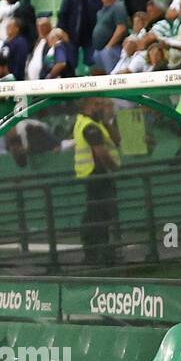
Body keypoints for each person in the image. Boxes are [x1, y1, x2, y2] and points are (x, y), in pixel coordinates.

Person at [74, 96, 121, 266]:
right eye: (100, 104)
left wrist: (108, 122)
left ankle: (97, 253)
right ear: (91, 105)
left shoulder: (95, 123)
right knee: (98, 216)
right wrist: (115, 169)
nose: (103, 107)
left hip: (96, 177)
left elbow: (117, 140)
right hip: (97, 176)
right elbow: (101, 152)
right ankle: (98, 254)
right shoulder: (89, 126)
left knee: (98, 216)